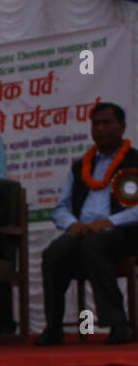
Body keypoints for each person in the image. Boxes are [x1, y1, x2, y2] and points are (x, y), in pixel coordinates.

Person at [38, 102, 138, 345]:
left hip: (124, 233)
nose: (101, 129)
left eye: (107, 123)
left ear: (122, 126)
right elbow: (61, 207)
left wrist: (109, 222)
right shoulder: (80, 165)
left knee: (95, 244)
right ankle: (53, 328)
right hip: (83, 232)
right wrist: (71, 223)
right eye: (96, 124)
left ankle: (118, 325)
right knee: (53, 253)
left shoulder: (135, 161)